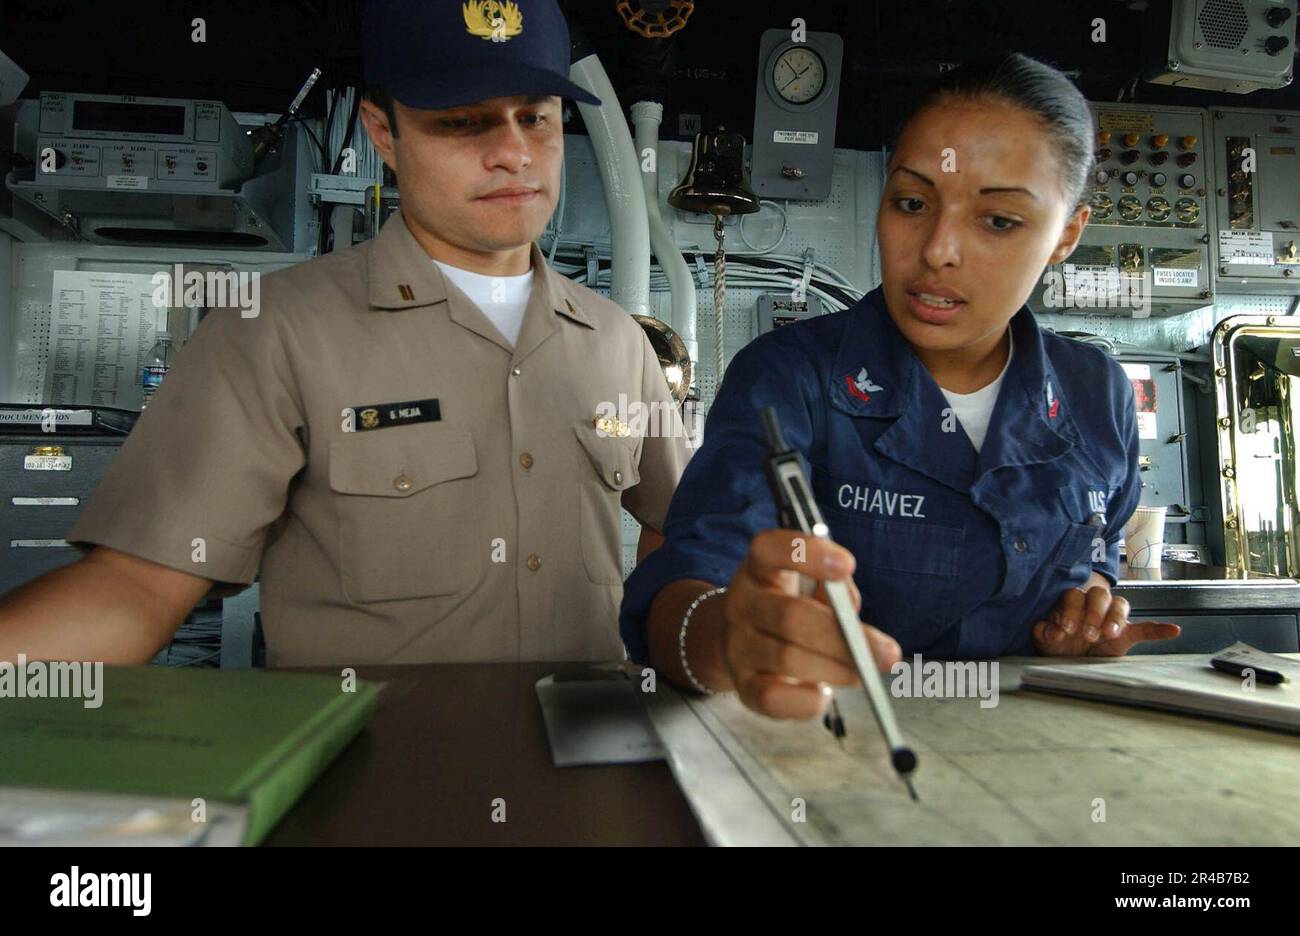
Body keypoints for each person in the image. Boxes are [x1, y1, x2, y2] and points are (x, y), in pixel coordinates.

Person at [0, 0, 691, 666]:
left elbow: (677, 529)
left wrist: (674, 656)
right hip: (373, 776)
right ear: (382, 133)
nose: (513, 153)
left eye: (535, 118)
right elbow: (137, 588)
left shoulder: (616, 341)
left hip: (582, 773)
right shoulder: (275, 332)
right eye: (462, 122)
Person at [620, 53, 1180, 721]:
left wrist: (1087, 606)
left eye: (998, 221)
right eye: (912, 203)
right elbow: (688, 584)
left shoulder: (1098, 393)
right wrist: (725, 638)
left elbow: (1098, 548)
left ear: (1067, 235)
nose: (938, 249)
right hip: (830, 756)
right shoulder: (789, 378)